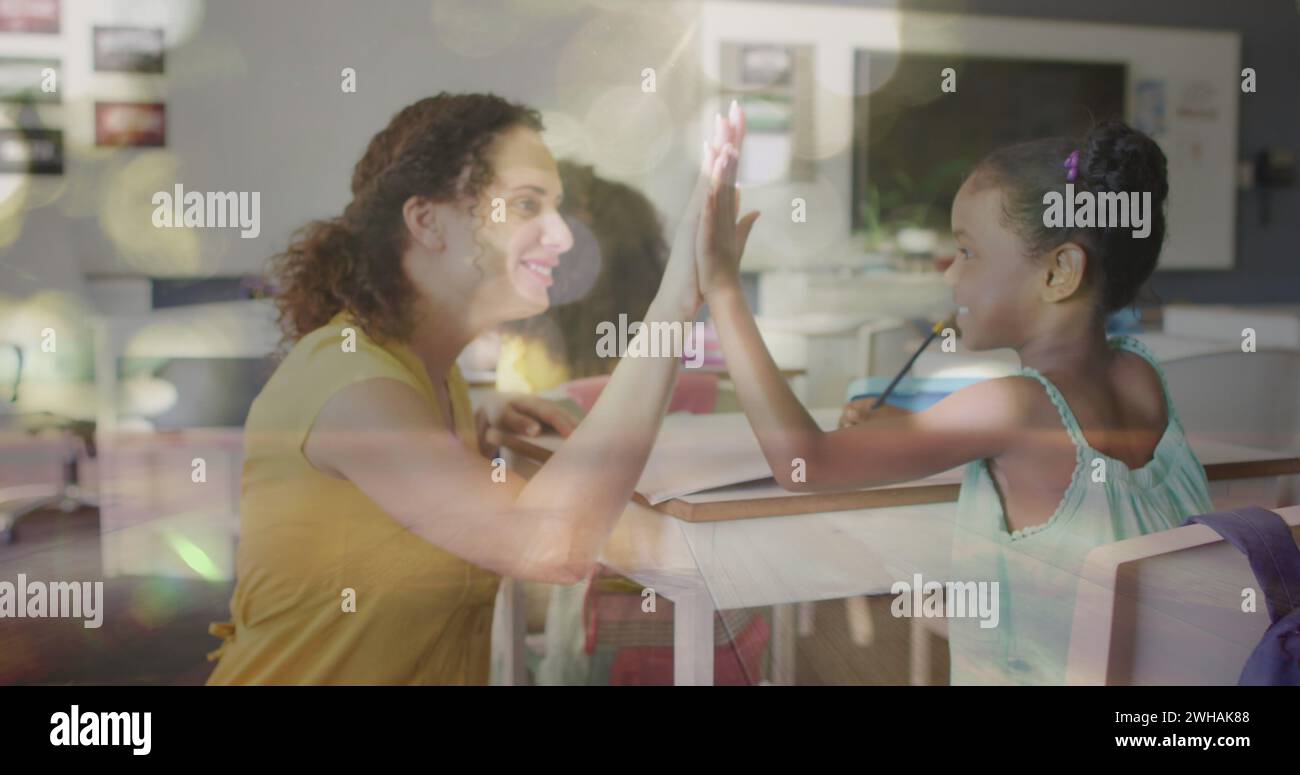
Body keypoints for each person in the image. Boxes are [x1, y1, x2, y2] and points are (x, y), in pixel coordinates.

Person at [206, 93, 734, 684]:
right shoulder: (350, 386)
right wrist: (677, 299)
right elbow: (550, 547)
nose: (562, 234)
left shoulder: (434, 378)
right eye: (527, 204)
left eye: (556, 208)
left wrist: (474, 431)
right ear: (427, 222)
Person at [697, 116, 1214, 684]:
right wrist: (911, 427)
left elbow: (804, 463)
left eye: (968, 253)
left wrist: (723, 286)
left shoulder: (1013, 408)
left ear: (1060, 272)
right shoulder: (1142, 375)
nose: (951, 279)